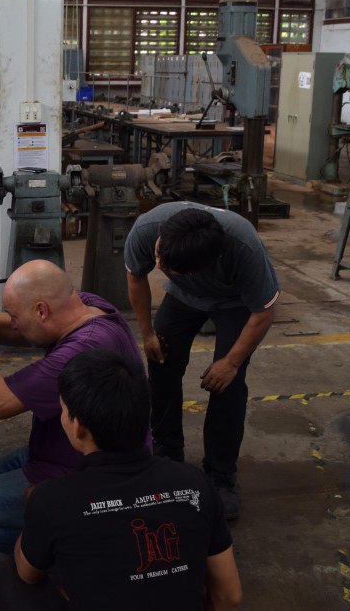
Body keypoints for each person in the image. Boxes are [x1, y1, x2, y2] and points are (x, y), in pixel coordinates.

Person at [0, 350, 242, 611]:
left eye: (63, 410)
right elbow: (229, 596)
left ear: (78, 427)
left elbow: (27, 573)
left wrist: (34, 515)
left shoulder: (52, 498)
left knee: (5, 576)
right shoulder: (195, 484)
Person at [0, 259, 143, 554]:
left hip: (84, 472)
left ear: (41, 311)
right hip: (56, 449)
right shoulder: (85, 305)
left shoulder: (82, 350)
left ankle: (74, 549)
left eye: (14, 315)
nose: (13, 322)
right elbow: (21, 329)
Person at [124, 202, 279, 520]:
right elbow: (136, 278)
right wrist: (147, 333)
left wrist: (231, 363)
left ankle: (221, 474)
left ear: (202, 267)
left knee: (228, 384)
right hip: (182, 298)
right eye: (159, 257)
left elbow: (263, 313)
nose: (158, 264)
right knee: (161, 362)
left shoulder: (243, 247)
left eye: (167, 268)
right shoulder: (146, 228)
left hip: (235, 303)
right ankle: (166, 453)